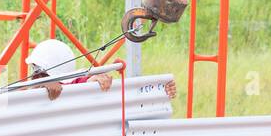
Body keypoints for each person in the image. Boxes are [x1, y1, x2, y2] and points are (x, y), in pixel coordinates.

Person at [25, 38, 178, 102]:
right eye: (35, 71)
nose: (35, 76)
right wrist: (43, 85)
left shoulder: (72, 92)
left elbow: (78, 85)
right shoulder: (23, 95)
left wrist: (159, 91)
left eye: (41, 73)